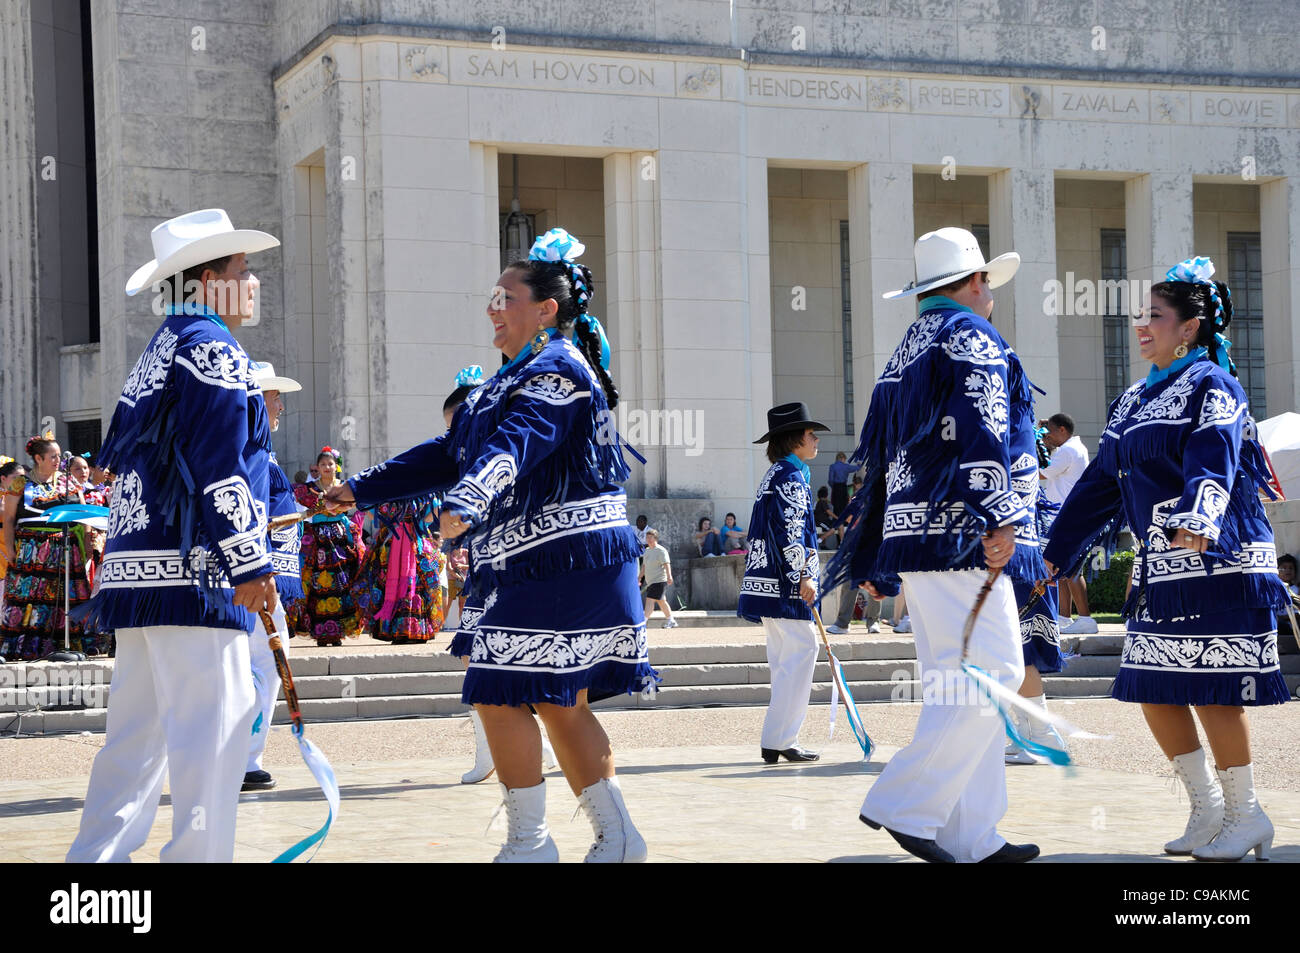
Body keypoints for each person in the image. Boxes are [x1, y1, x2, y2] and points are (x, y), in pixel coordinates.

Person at [323, 228, 656, 861]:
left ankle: (533, 845)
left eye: (504, 297)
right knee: (555, 702)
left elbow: (521, 443)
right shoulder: (508, 380)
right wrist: (360, 490)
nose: (492, 309)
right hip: (539, 563)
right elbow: (449, 453)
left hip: (567, 559)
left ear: (546, 310)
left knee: (498, 689)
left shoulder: (559, 366)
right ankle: (617, 841)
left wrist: (471, 498)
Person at [1043, 256, 1289, 862]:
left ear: (1191, 327)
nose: (1141, 327)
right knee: (1154, 688)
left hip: (1218, 560)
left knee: (1213, 691)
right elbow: (1102, 482)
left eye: (1155, 317)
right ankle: (1207, 808)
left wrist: (1199, 519)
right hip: (1162, 566)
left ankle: (1248, 813)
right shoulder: (1132, 400)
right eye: (1140, 317)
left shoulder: (1215, 384)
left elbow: (1216, 456)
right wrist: (1055, 553)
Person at [67, 208, 279, 862]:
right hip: (193, 570)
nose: (252, 283)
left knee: (135, 736)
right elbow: (222, 465)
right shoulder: (213, 347)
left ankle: (95, 869)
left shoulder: (163, 345)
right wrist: (249, 561)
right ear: (210, 279)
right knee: (210, 734)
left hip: (137, 575)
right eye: (243, 271)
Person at [827, 226, 1040, 863]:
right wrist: (1000, 514)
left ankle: (972, 835)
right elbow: (984, 427)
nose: (992, 297)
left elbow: (882, 455)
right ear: (974, 284)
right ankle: (904, 801)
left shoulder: (908, 348)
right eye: (988, 286)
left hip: (913, 535)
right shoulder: (971, 336)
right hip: (961, 533)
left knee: (956, 685)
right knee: (997, 675)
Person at [738, 402, 826, 765]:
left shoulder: (777, 474)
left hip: (769, 583)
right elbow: (790, 531)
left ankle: (777, 738)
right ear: (794, 440)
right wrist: (802, 575)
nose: (816, 438)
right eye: (810, 434)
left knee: (786, 660)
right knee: (802, 653)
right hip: (785, 585)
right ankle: (781, 738)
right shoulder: (790, 477)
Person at [242, 362, 304, 793]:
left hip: (248, 578)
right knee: (260, 668)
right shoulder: (254, 458)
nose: (280, 405)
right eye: (274, 396)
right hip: (251, 583)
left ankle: (243, 758)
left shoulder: (256, 456)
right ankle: (243, 759)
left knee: (256, 670)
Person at [1, 436, 95, 660]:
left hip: (64, 545)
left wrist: (89, 540)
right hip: (30, 549)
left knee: (64, 596)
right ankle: (25, 647)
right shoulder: (20, 484)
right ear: (38, 458)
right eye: (52, 456)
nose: (57, 460)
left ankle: (64, 645)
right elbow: (10, 519)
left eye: (58, 456)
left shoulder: (68, 482)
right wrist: (11, 549)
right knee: (29, 597)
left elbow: (84, 514)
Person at [290, 447, 366, 646]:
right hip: (318, 539)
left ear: (336, 466)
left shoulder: (345, 487)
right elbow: (295, 498)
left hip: (341, 537)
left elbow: (355, 503)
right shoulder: (309, 489)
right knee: (317, 583)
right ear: (318, 467)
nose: (326, 467)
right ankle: (321, 631)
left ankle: (338, 631)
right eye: (322, 464)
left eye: (330, 464)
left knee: (343, 582)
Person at [356, 500, 447, 644]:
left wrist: (393, 523)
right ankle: (412, 629)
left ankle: (398, 630)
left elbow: (370, 511)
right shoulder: (423, 489)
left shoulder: (388, 488)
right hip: (410, 540)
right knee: (418, 582)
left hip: (399, 540)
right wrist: (420, 522)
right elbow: (437, 508)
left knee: (412, 581)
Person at [1039, 412, 1095, 634]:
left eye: (1050, 432)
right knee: (1061, 568)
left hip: (1067, 516)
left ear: (1062, 430)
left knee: (1072, 569)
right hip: (1065, 515)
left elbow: (1041, 473)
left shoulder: (1068, 450)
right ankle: (1064, 617)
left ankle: (1086, 619)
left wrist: (1036, 442)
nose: (1048, 437)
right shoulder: (1072, 448)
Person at [640, 528, 676, 628]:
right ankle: (671, 620)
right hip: (650, 581)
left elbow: (666, 564)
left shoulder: (661, 550)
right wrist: (639, 578)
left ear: (655, 538)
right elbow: (644, 566)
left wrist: (669, 576)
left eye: (651, 537)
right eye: (647, 537)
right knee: (661, 601)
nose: (648, 539)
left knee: (650, 600)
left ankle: (643, 621)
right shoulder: (647, 551)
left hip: (659, 580)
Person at [828, 451, 857, 517]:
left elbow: (830, 480)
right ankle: (843, 522)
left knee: (836, 506)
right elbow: (856, 468)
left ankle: (836, 521)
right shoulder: (846, 466)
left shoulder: (832, 466)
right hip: (843, 487)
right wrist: (860, 464)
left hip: (836, 487)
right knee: (844, 505)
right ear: (843, 458)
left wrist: (833, 487)